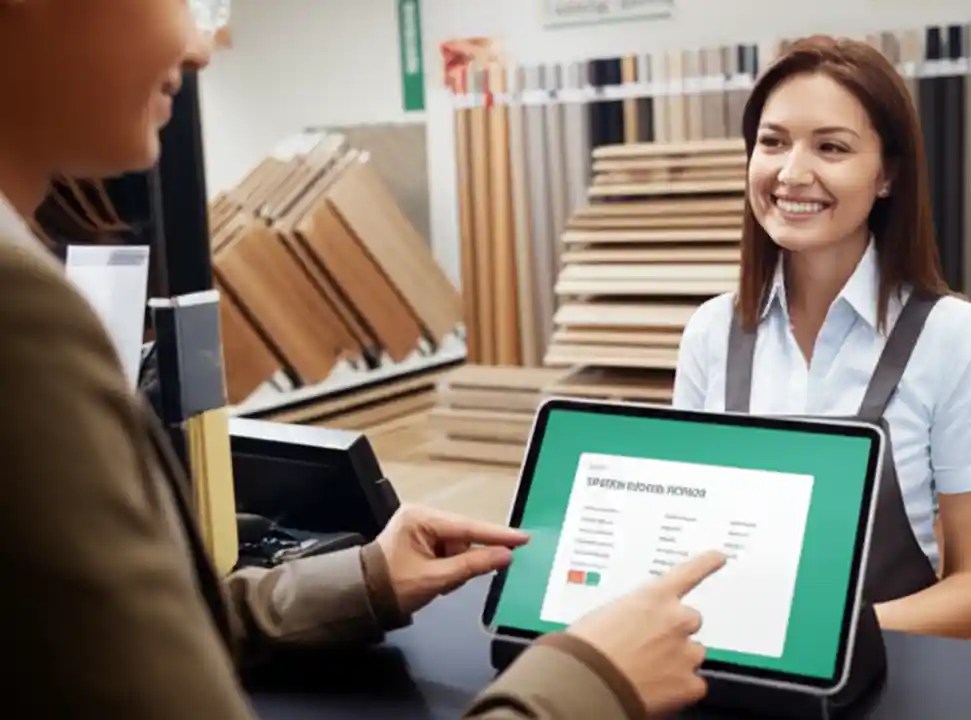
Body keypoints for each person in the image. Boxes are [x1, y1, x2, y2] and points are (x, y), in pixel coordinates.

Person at [0, 1, 721, 718]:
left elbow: (89, 647)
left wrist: (364, 580)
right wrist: (588, 681)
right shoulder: (21, 308)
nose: (201, 48)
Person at [673, 35, 971, 639]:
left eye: (831, 147)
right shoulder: (711, 332)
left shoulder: (958, 340)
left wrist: (824, 642)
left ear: (887, 174)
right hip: (720, 664)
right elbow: (685, 531)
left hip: (887, 668)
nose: (791, 173)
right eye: (772, 142)